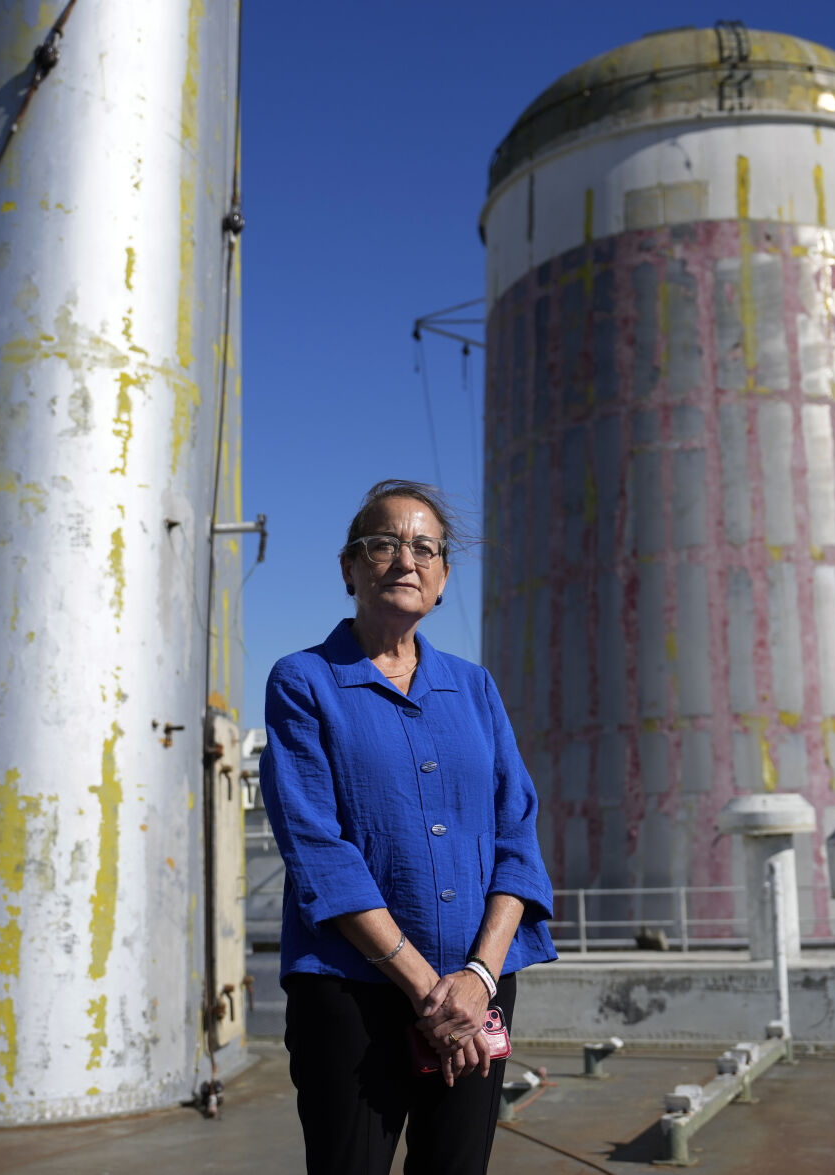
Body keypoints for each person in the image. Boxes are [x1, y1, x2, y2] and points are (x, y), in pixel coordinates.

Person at [260, 479, 558, 1175]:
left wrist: (477, 979)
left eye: (424, 547)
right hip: (352, 991)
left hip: (475, 986)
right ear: (349, 567)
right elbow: (318, 850)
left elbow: (516, 831)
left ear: (444, 576)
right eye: (384, 543)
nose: (405, 559)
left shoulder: (475, 687)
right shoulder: (303, 681)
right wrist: (432, 992)